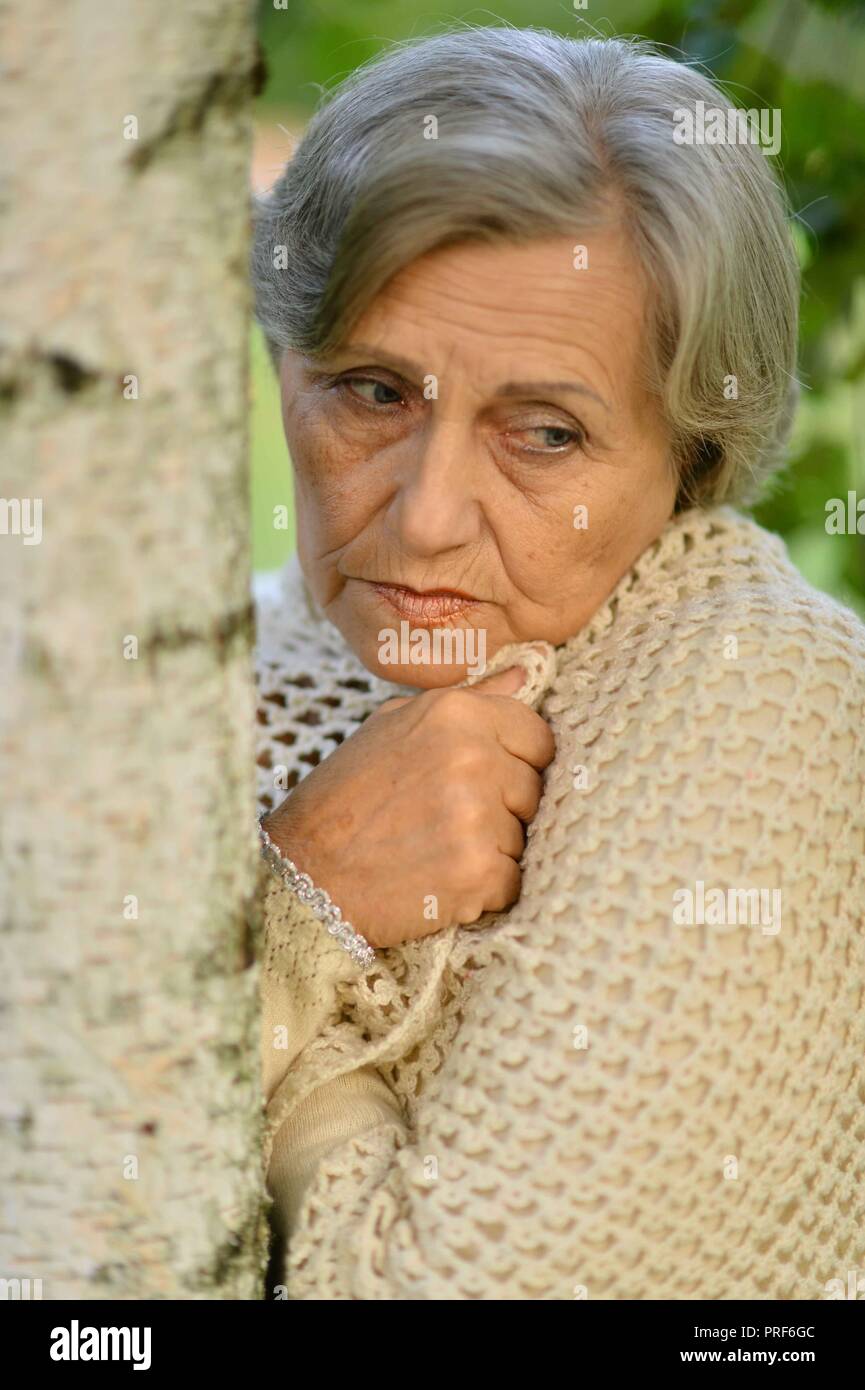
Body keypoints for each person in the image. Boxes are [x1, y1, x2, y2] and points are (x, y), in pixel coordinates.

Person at [249, 27, 865, 1299]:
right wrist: (304, 892)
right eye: (372, 392)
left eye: (543, 431)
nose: (425, 517)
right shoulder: (217, 663)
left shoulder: (765, 704)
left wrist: (290, 987)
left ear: (692, 453)